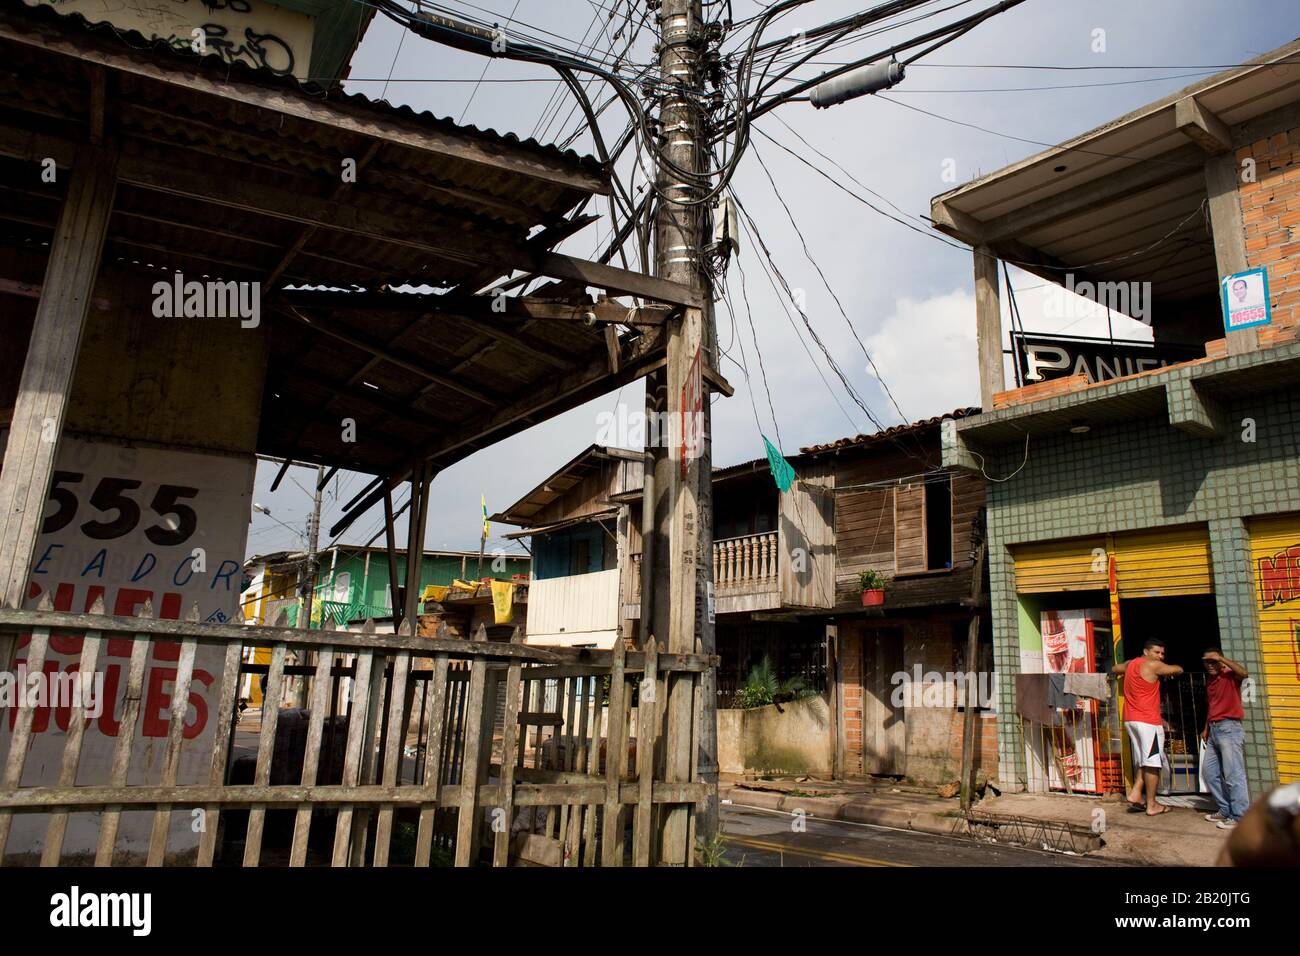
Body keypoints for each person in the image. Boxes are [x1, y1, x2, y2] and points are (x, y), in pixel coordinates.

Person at [1111, 638, 1182, 816]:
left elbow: (1115, 668)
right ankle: (1152, 804)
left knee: (1144, 759)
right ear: (1146, 651)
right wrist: (1166, 670)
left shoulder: (1131, 664)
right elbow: (1178, 669)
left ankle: (1136, 792)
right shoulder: (1153, 666)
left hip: (1131, 720)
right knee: (1152, 763)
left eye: (1162, 653)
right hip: (1148, 722)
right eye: (1157, 652)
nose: (1160, 656)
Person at [1201, 648, 1250, 830]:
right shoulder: (1210, 681)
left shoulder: (1230, 675)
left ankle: (1239, 816)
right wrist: (1206, 728)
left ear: (1221, 662)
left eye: (1214, 661)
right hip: (1214, 729)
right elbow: (1212, 705)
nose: (1211, 665)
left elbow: (1244, 673)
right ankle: (1225, 808)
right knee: (1209, 772)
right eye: (1208, 662)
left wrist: (1220, 657)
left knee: (1233, 774)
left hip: (1229, 728)